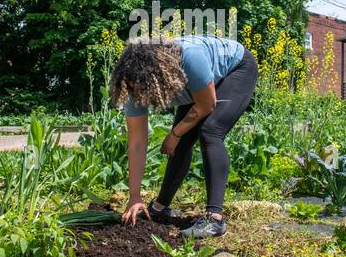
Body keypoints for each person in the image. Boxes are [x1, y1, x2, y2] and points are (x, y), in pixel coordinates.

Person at [111, 33, 258, 238]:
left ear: (158, 76)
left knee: (210, 131)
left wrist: (175, 134)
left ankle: (215, 220)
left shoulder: (189, 58)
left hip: (235, 68)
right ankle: (160, 208)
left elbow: (207, 105)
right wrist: (135, 197)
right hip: (196, 84)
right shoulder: (132, 84)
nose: (140, 92)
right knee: (182, 143)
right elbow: (136, 143)